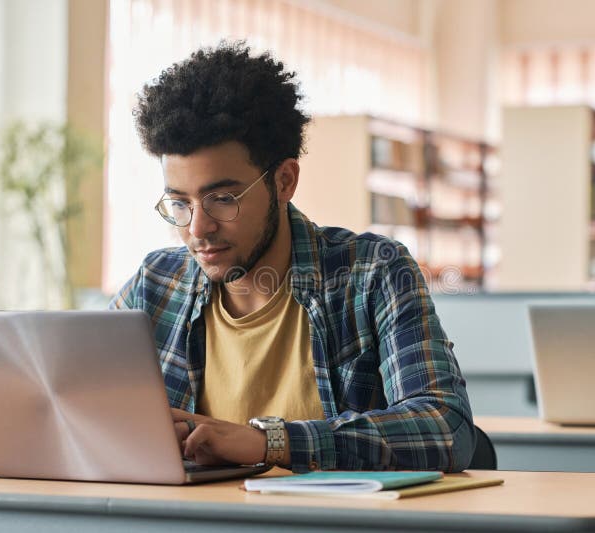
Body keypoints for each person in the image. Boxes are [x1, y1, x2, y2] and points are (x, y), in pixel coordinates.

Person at [109, 42, 476, 473]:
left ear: (284, 181)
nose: (197, 228)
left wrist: (270, 442)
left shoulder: (374, 272)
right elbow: (85, 412)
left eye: (223, 199)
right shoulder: (154, 285)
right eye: (179, 203)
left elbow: (447, 429)